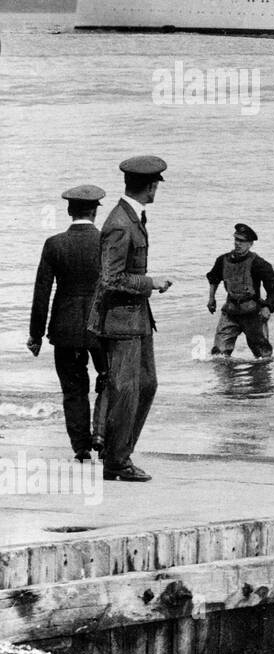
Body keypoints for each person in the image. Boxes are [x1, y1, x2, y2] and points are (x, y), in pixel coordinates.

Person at [89, 156, 172, 483]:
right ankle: (117, 461)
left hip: (136, 320)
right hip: (121, 323)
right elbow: (110, 279)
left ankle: (118, 452)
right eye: (155, 185)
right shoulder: (121, 223)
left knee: (146, 385)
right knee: (126, 390)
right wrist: (149, 283)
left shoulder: (130, 217)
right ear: (150, 187)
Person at [27, 184, 111, 461]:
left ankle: (82, 448)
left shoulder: (54, 244)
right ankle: (102, 435)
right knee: (108, 381)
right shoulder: (106, 242)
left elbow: (42, 292)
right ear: (95, 212)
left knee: (74, 390)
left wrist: (35, 335)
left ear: (68, 211)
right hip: (101, 326)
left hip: (64, 329)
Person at [206, 223, 274, 358]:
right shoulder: (223, 260)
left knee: (262, 355)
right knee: (219, 353)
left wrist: (267, 307)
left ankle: (262, 377)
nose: (238, 244)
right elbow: (213, 278)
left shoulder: (259, 263)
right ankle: (226, 377)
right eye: (236, 239)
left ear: (250, 244)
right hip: (230, 312)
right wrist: (211, 298)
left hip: (253, 313)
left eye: (242, 241)